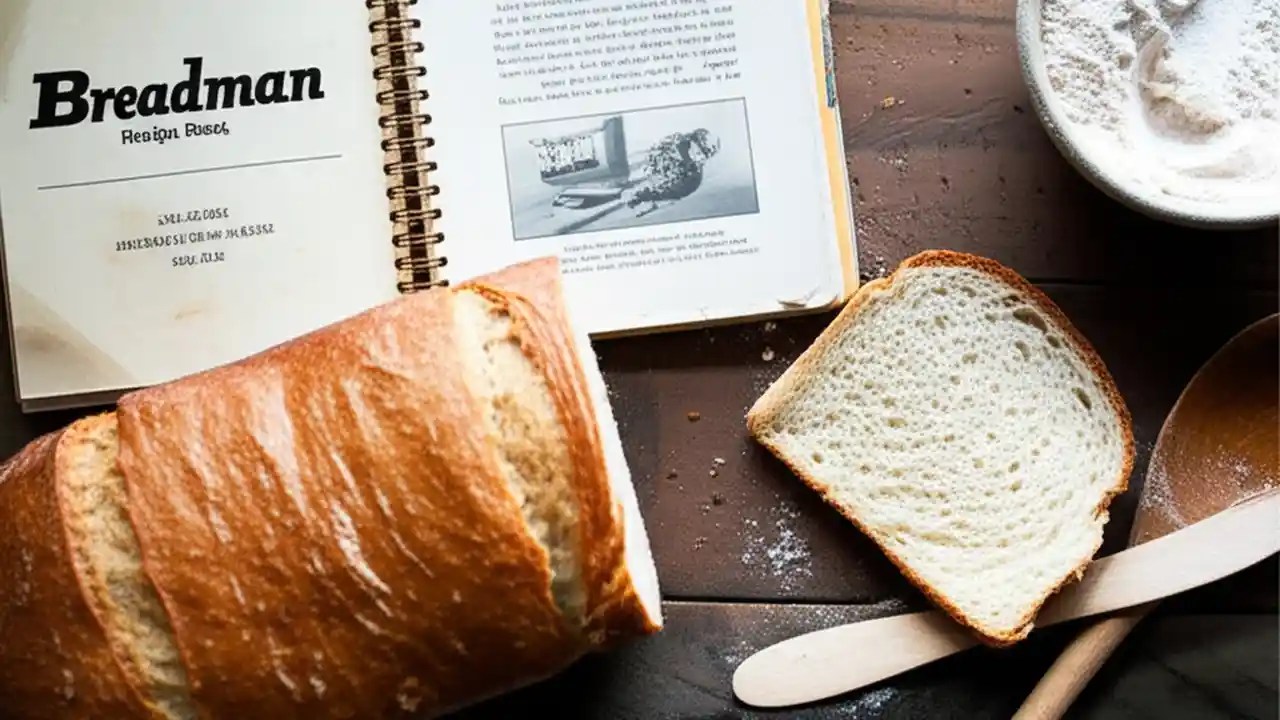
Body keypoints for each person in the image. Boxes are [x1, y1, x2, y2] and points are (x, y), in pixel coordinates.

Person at [626, 128, 721, 215]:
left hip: (654, 187)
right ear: (692, 140)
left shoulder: (694, 178)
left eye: (703, 155)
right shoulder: (678, 140)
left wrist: (647, 196)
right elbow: (653, 147)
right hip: (644, 166)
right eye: (697, 149)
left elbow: (674, 194)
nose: (697, 156)